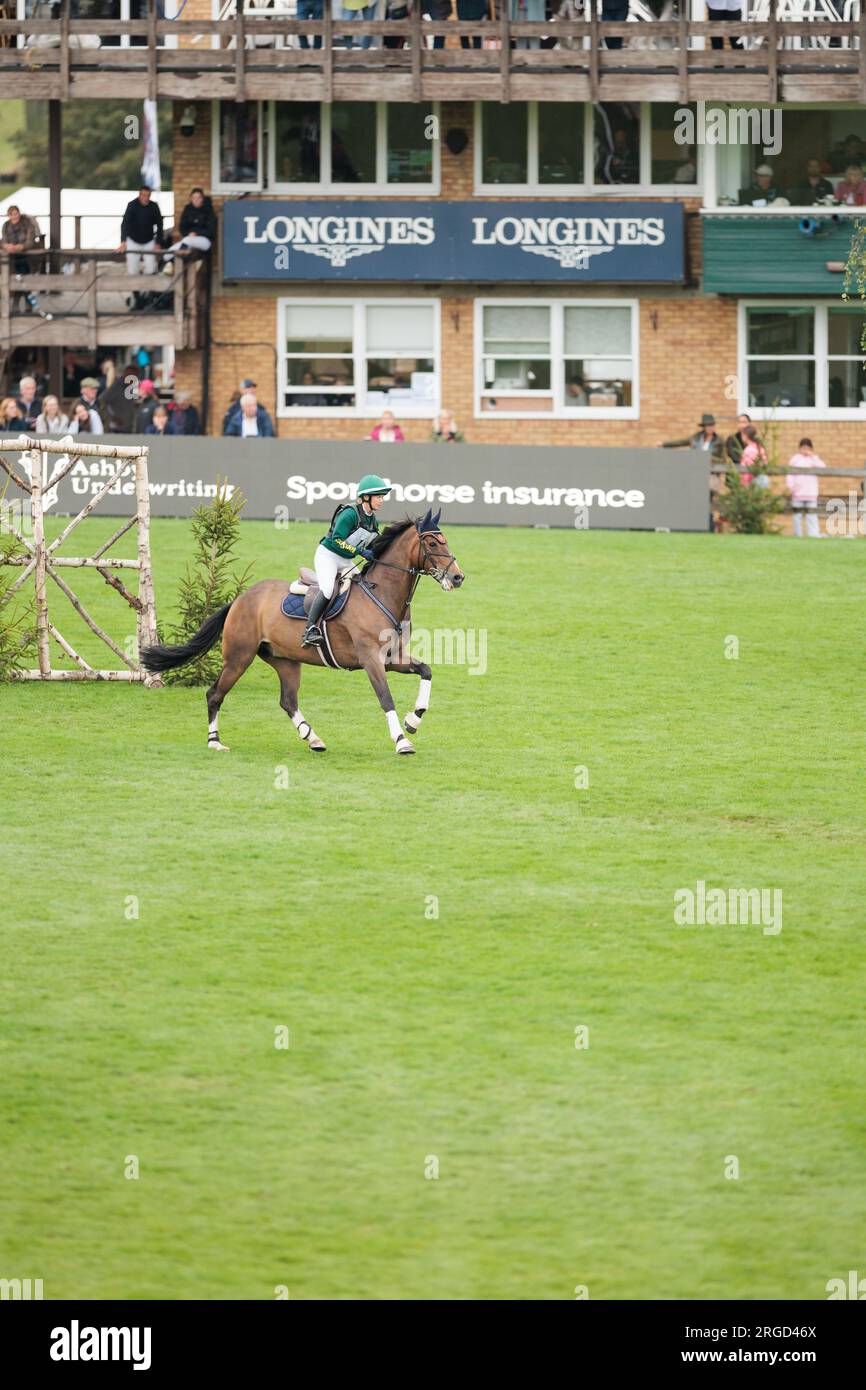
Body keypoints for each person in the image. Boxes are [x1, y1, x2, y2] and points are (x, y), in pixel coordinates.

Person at [302, 473, 391, 647]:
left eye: (382, 497)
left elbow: (373, 544)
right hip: (328, 556)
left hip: (345, 559)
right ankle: (309, 629)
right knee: (328, 590)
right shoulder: (350, 514)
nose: (382, 500)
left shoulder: (373, 520)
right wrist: (359, 551)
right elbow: (337, 539)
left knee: (364, 587)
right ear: (366, 497)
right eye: (378, 497)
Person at [661, 413, 723, 531]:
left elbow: (722, 459)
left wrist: (706, 458)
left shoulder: (719, 441)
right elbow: (680, 442)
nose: (710, 428)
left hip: (710, 476)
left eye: (712, 425)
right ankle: (693, 526)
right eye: (708, 425)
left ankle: (709, 527)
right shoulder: (696, 438)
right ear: (704, 427)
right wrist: (664, 444)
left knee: (708, 501)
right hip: (696, 475)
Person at [0, 204, 52, 319]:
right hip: (12, 257)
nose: (14, 216)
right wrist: (7, 246)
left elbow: (30, 241)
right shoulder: (6, 226)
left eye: (15, 213)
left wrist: (20, 247)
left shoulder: (27, 224)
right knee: (17, 278)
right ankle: (25, 303)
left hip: (26, 256)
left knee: (23, 277)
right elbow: (3, 240)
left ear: (18, 213)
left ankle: (21, 303)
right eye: (11, 214)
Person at [162, 188, 217, 272]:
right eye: (194, 198)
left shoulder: (208, 210)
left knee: (187, 240)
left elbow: (211, 231)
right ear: (191, 198)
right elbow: (182, 228)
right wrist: (189, 233)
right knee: (172, 249)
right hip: (189, 240)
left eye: (199, 198)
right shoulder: (188, 209)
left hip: (205, 241)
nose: (196, 200)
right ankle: (165, 260)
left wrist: (196, 233)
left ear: (202, 199)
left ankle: (172, 264)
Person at [117, 186, 164, 278]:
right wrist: (123, 242)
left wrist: (158, 242)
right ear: (139, 195)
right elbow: (125, 224)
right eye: (144, 195)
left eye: (148, 195)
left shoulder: (154, 206)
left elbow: (160, 225)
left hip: (149, 240)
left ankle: (147, 290)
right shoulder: (132, 205)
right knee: (132, 269)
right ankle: (136, 291)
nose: (146, 198)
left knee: (151, 268)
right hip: (133, 240)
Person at [786, 438, 827, 537]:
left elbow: (823, 467)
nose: (805, 450)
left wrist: (812, 456)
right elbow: (789, 474)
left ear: (811, 448)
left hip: (811, 493)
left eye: (807, 448)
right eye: (803, 448)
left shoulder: (814, 459)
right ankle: (798, 535)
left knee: (812, 516)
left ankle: (813, 535)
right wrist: (791, 486)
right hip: (798, 493)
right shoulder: (795, 459)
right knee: (797, 516)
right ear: (799, 448)